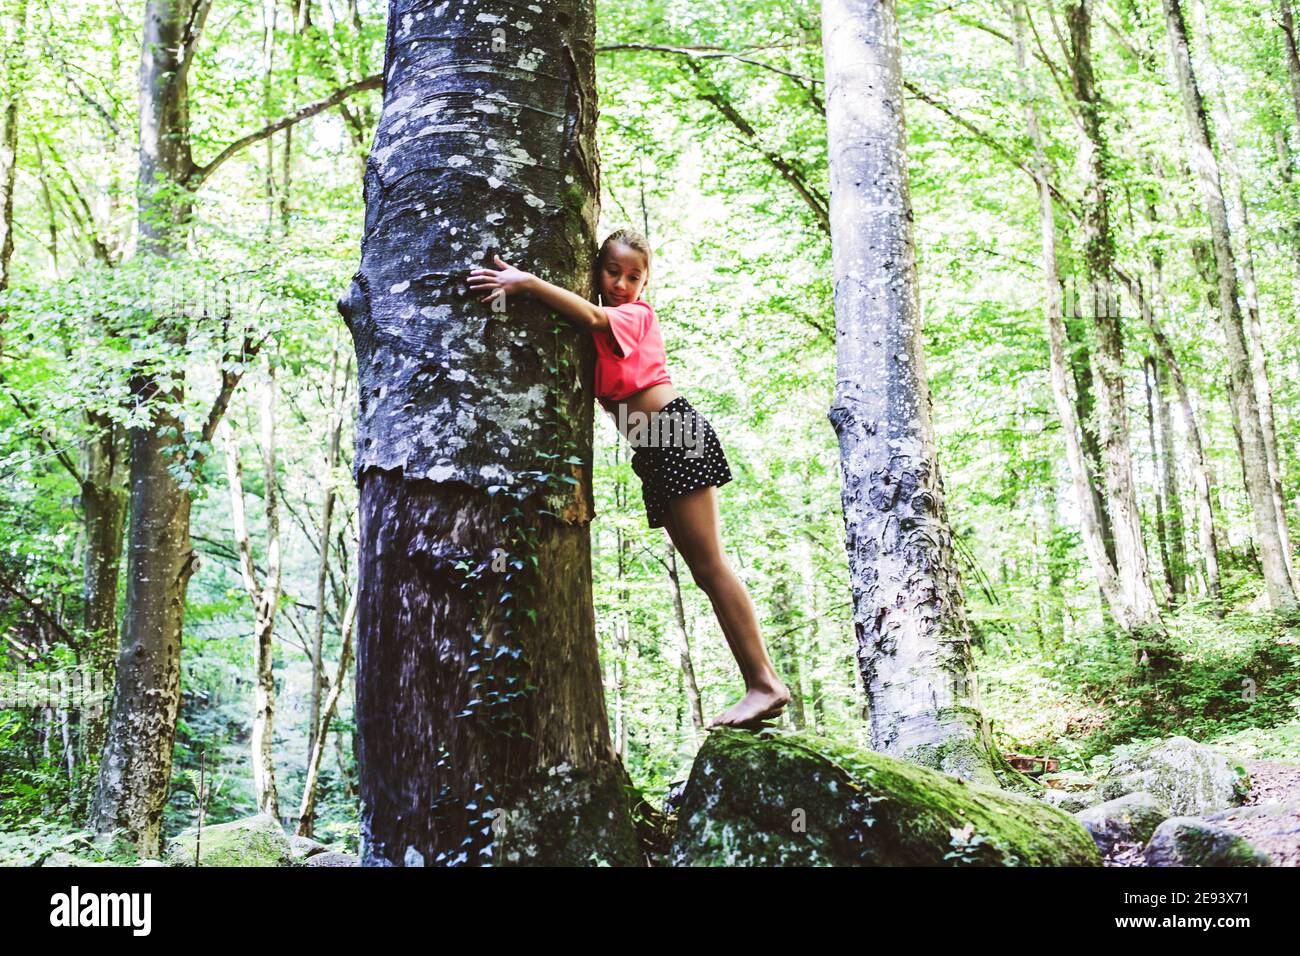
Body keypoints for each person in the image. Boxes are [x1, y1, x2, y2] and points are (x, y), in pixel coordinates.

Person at [467, 229, 790, 729]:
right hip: (655, 448)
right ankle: (760, 683)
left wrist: (525, 282)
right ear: (596, 269)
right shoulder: (599, 326)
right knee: (704, 572)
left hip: (674, 434)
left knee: (712, 567)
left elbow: (595, 314)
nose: (621, 283)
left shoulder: (634, 316)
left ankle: (765, 684)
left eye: (633, 277)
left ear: (646, 283)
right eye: (611, 272)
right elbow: (585, 319)